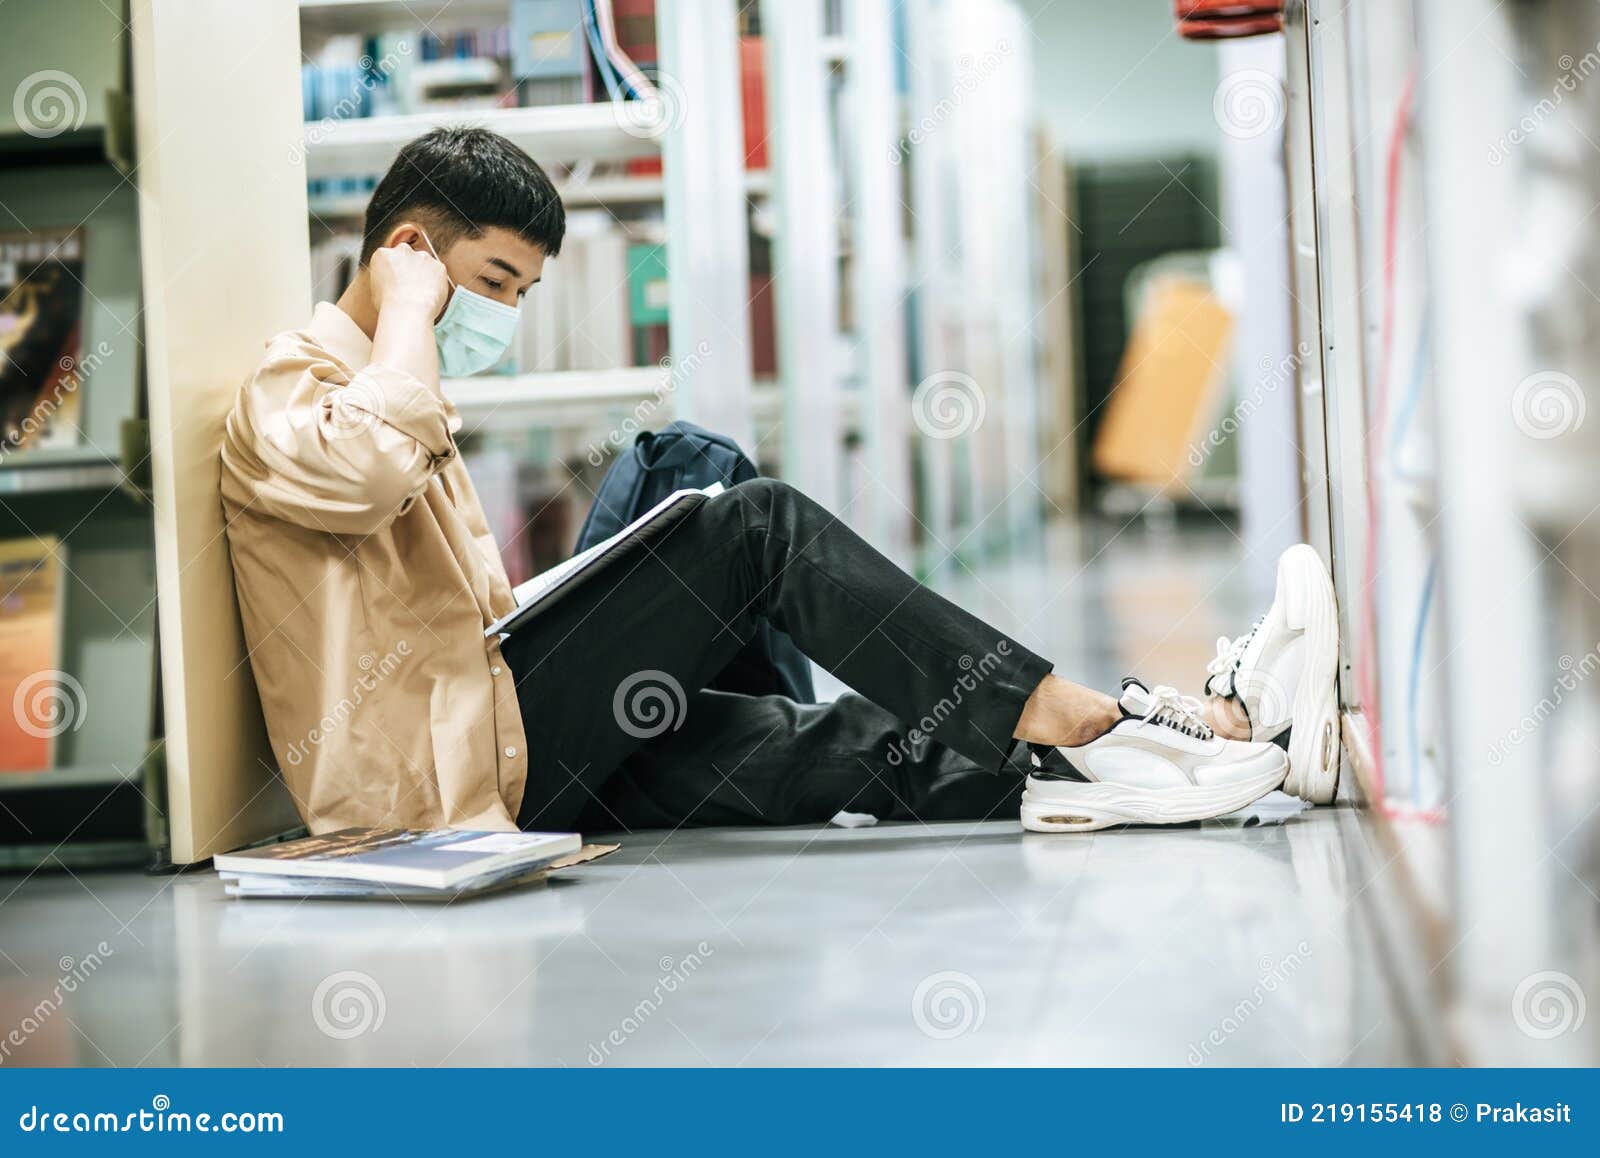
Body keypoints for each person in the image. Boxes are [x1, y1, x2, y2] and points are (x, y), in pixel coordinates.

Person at [220, 127, 1340, 839]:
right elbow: (366, 475)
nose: (504, 315)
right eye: (492, 281)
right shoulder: (293, 382)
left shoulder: (391, 382)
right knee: (756, 530)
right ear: (408, 250)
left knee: (819, 735)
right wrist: (407, 315)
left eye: (523, 291)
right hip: (440, 784)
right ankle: (1077, 715)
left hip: (506, 737)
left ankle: (1155, 765)